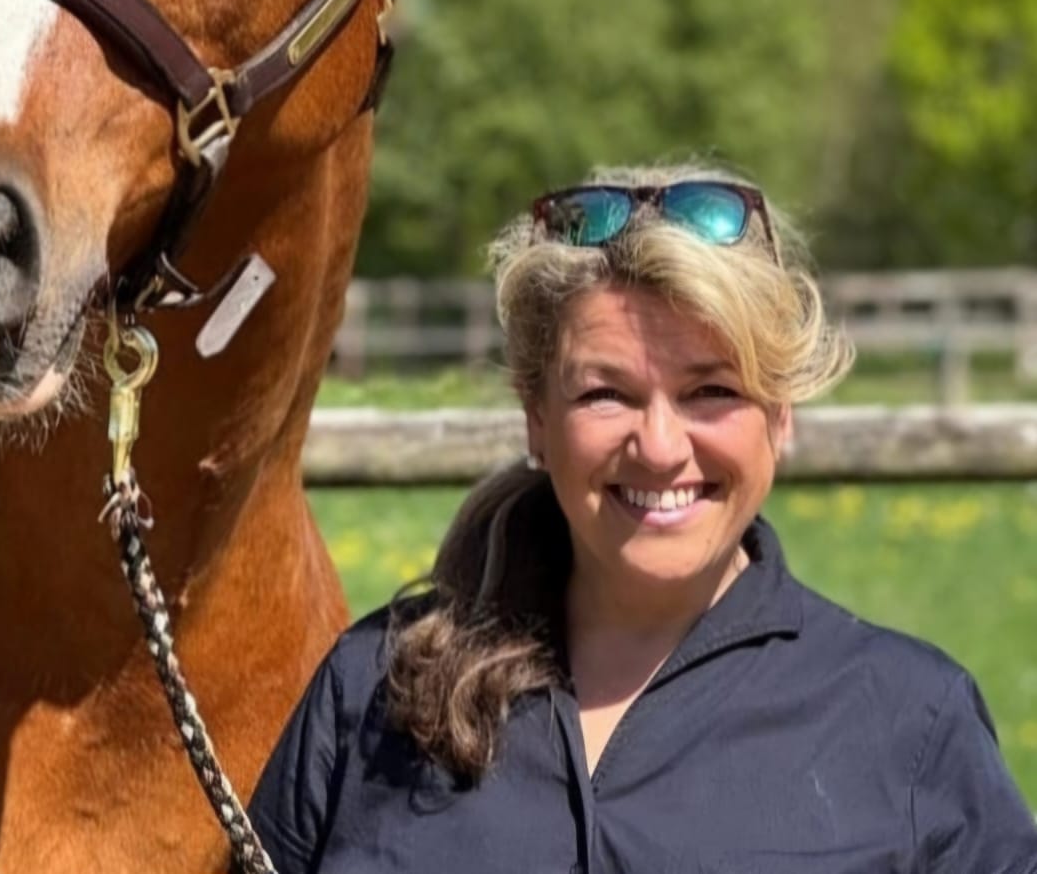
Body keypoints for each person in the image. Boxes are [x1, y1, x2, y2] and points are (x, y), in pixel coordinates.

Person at [248, 164, 1037, 873]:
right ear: (536, 418)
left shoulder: (909, 723)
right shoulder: (373, 693)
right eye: (605, 394)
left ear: (781, 415)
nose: (660, 448)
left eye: (712, 392)